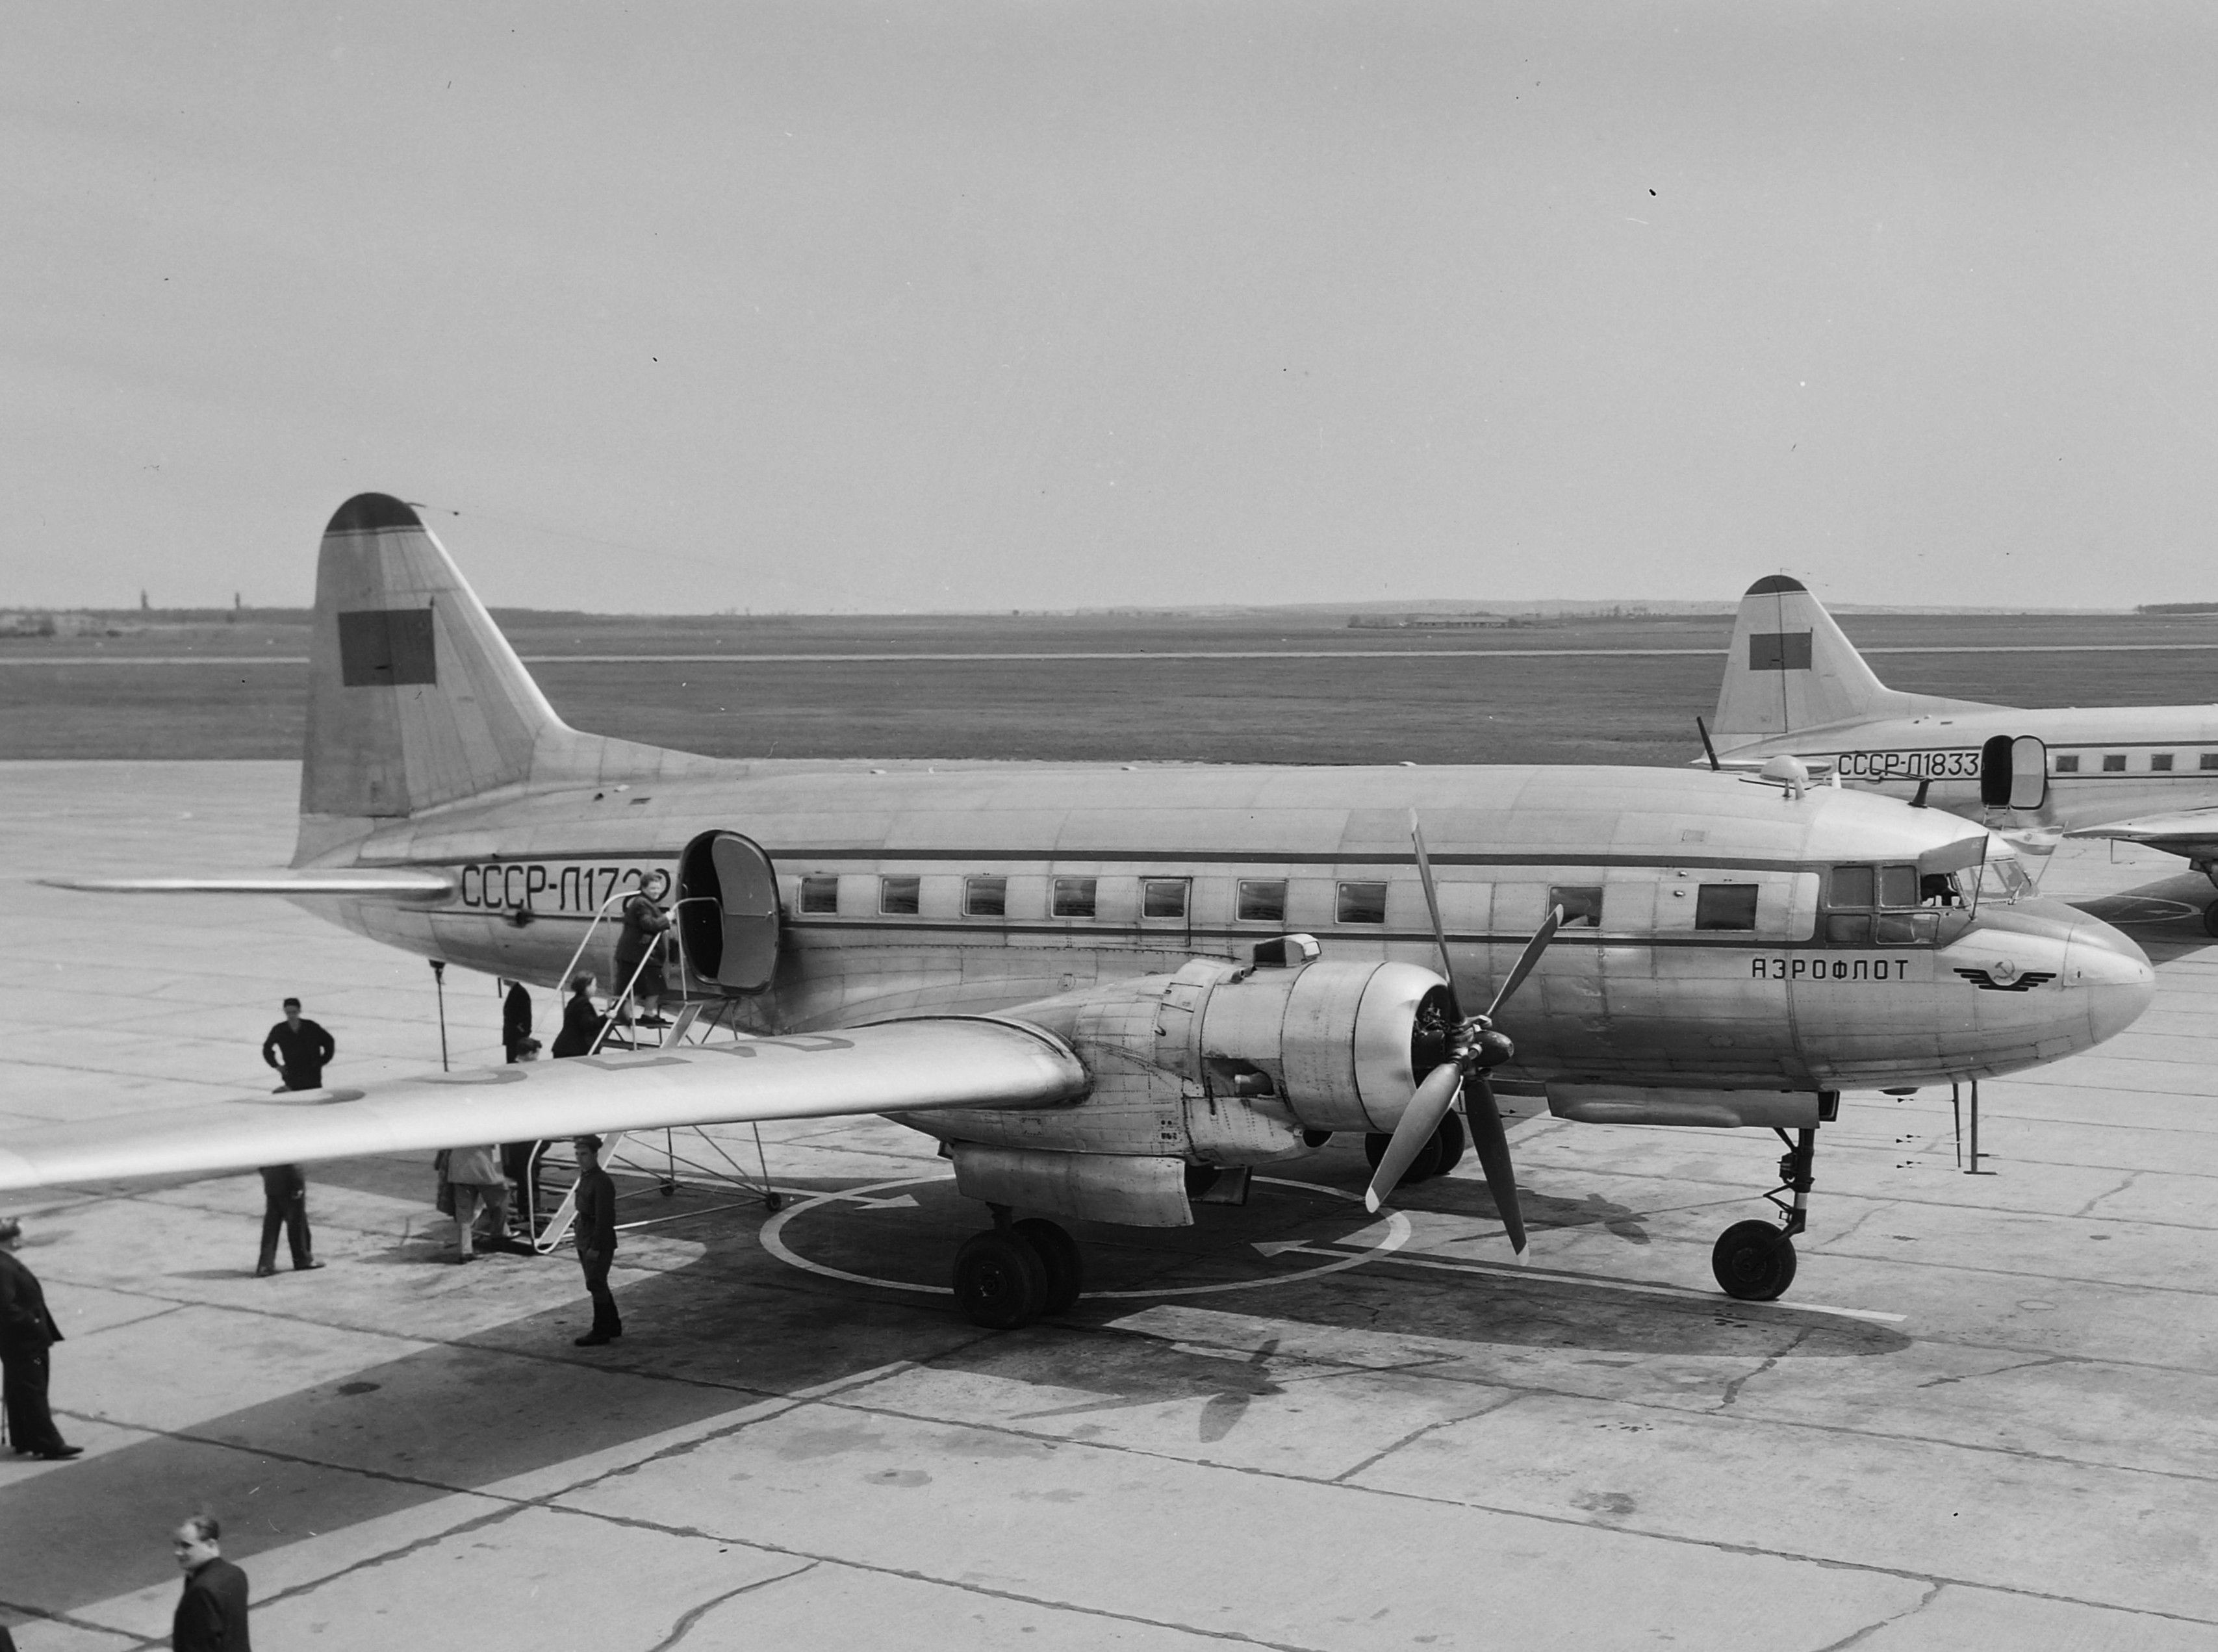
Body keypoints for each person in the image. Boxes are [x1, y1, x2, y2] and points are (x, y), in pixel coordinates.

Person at [0, 1218, 81, 1460]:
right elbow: (6, 1307)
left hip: (19, 1341)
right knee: (33, 1390)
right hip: (23, 1341)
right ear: (12, 1239)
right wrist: (32, 1323)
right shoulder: (3, 1267)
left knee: (19, 1389)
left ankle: (24, 1438)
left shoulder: (6, 1263)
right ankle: (49, 1443)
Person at [171, 1513, 251, 1651]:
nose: (178, 1552)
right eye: (177, 1545)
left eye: (186, 1546)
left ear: (211, 1544)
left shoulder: (201, 1590)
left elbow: (199, 1646)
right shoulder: (235, 1573)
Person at [571, 1136, 621, 1346]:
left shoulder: (601, 1181)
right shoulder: (587, 1176)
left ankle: (601, 1330)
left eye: (584, 1154)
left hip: (596, 1239)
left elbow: (605, 1218)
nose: (580, 1159)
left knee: (596, 1283)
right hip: (584, 1235)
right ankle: (612, 1325)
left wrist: (596, 1247)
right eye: (577, 1155)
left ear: (594, 1155)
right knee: (597, 1283)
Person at [612, 876, 672, 1027]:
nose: (656, 892)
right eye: (653, 888)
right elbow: (649, 924)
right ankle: (642, 1013)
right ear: (644, 888)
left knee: (642, 986)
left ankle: (636, 1012)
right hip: (640, 954)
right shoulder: (642, 903)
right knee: (652, 985)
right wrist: (667, 919)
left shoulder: (645, 902)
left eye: (658, 888)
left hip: (640, 954)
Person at [444, 1145, 510, 1262]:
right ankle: (498, 1235)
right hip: (485, 1168)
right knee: (500, 1202)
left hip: (459, 1169)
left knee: (464, 1213)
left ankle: (465, 1251)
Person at [252, 1165, 321, 1277]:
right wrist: (298, 1184)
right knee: (297, 1226)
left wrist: (268, 1178)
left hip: (272, 1185)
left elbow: (261, 1165)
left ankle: (265, 1265)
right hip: (289, 1186)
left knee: (271, 1229)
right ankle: (303, 1260)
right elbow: (292, 1164)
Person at [261, 998, 335, 1091]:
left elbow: (329, 1042)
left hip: (312, 1073)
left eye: (294, 1012)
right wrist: (277, 1066)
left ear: (299, 1011)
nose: (291, 1015)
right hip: (292, 1072)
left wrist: (322, 1061)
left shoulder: (311, 1027)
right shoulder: (279, 1030)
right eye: (288, 1012)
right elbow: (267, 1048)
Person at [550, 974, 605, 1058]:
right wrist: (606, 1017)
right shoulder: (584, 1004)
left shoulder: (574, 1001)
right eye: (594, 985)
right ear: (587, 987)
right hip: (574, 1049)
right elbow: (589, 1024)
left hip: (566, 1047)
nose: (596, 988)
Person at [500, 978, 535, 1063]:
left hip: (516, 1035)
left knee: (515, 1060)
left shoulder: (520, 993)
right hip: (512, 1034)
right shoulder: (514, 991)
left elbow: (525, 1014)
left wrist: (521, 1028)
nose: (503, 979)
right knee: (511, 1059)